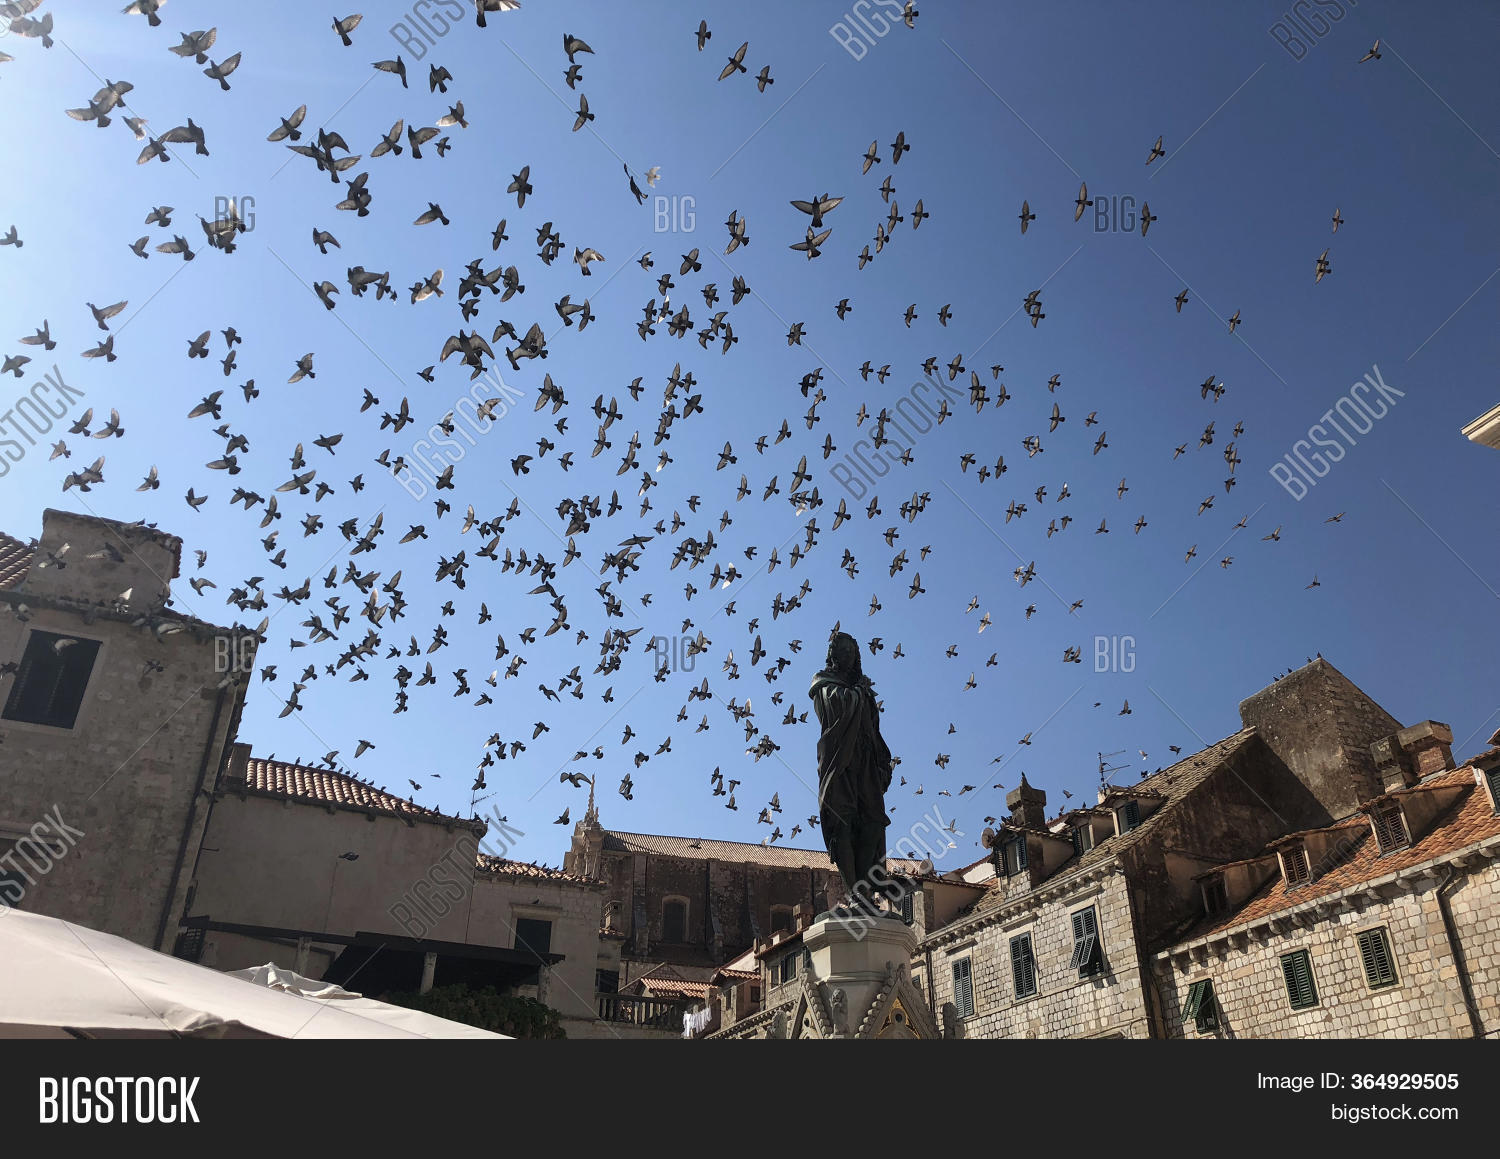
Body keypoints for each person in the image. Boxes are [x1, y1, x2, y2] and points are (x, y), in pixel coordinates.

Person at [809, 630, 894, 913]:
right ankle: (854, 891)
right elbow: (834, 707)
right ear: (833, 656)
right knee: (842, 824)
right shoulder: (823, 683)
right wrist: (859, 694)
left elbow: (874, 726)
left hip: (865, 761)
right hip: (838, 761)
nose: (847, 656)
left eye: (851, 652)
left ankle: (866, 886)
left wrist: (882, 760)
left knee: (873, 820)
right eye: (842, 651)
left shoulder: (862, 688)